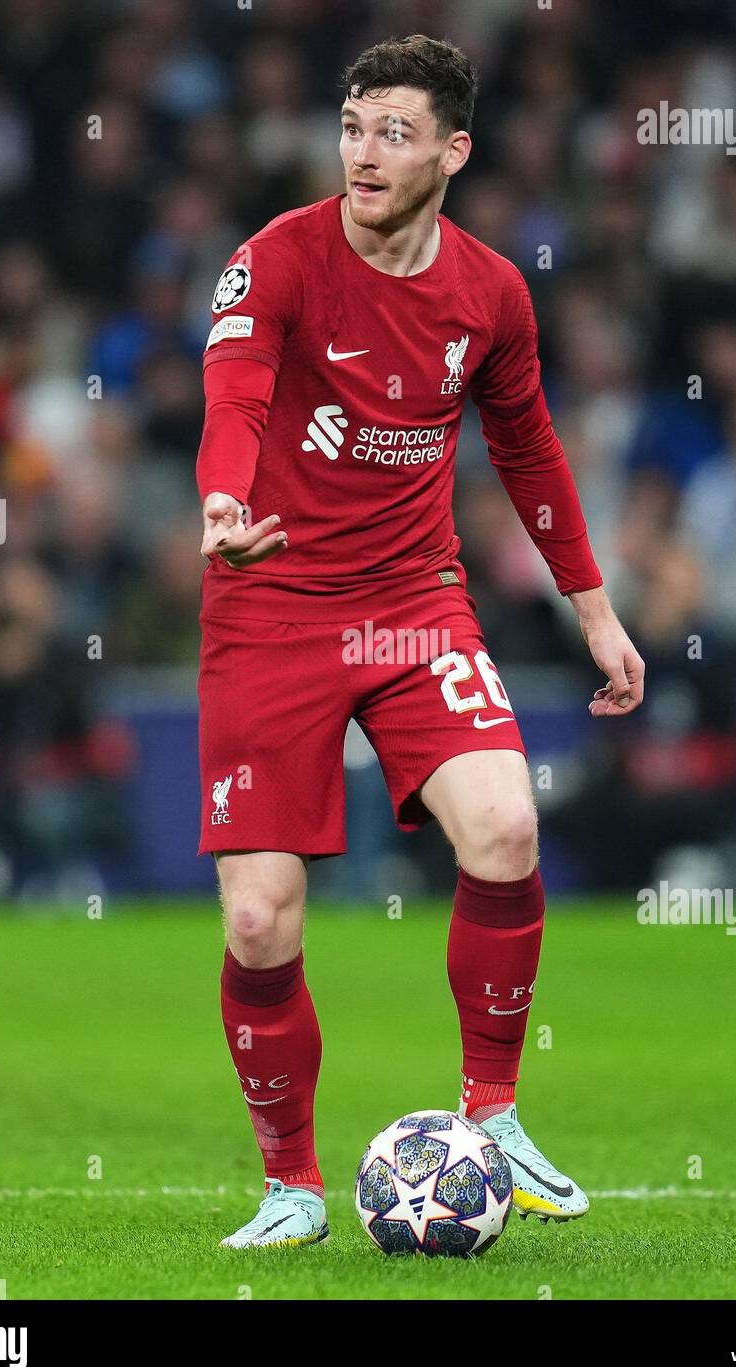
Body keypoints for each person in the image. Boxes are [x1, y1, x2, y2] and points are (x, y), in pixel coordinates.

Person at [195, 34, 645, 1249]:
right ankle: (291, 1187)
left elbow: (529, 449)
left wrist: (592, 608)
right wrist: (224, 504)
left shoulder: (492, 291)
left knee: (503, 826)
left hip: (410, 599)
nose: (363, 152)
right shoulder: (274, 260)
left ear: (452, 150)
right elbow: (232, 398)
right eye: (350, 127)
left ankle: (488, 1116)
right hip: (270, 605)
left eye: (392, 131)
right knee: (259, 921)